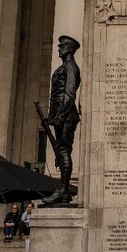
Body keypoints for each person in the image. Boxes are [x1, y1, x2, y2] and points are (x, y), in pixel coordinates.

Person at [41, 35, 81, 205]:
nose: (59, 49)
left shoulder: (71, 67)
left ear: (70, 49)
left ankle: (63, 189)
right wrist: (51, 117)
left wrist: (59, 117)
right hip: (60, 115)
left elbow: (69, 94)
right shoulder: (64, 67)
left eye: (62, 46)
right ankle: (63, 192)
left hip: (66, 116)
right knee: (62, 150)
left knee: (63, 150)